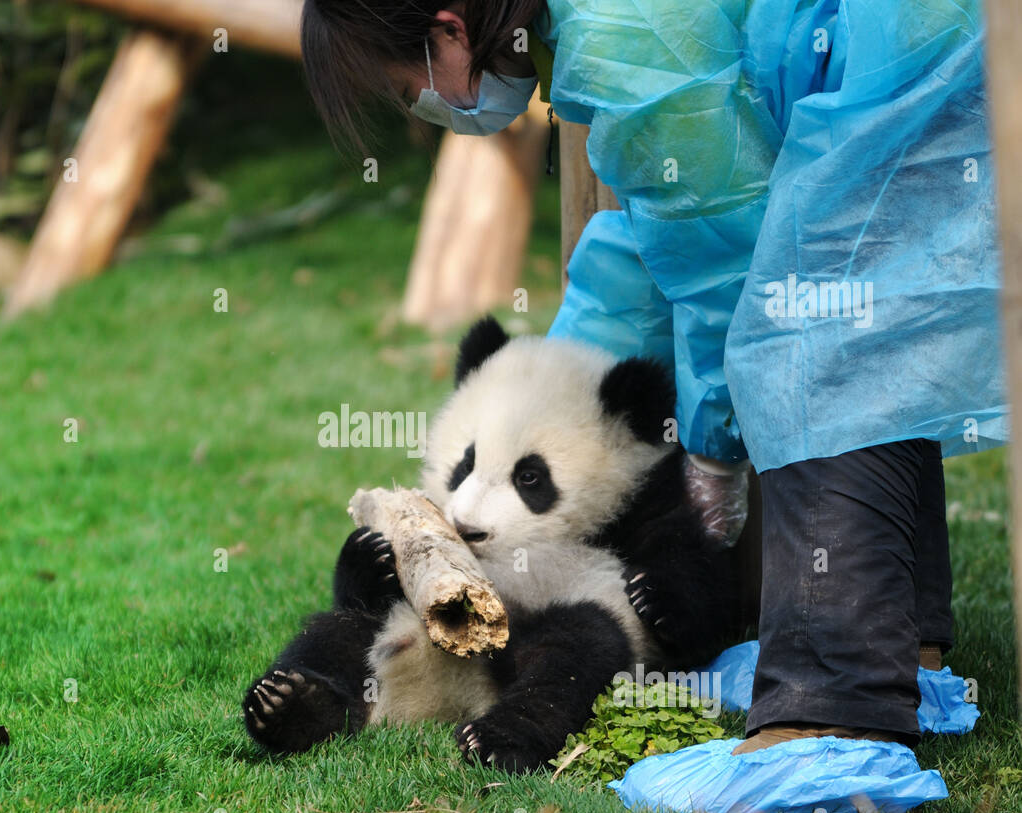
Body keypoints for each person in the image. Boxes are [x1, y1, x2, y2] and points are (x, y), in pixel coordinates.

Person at [297, 0, 1005, 756]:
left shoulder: (619, 31)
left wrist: (710, 446)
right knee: (868, 322)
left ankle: (838, 705)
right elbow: (651, 238)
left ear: (448, 29)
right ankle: (910, 642)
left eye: (411, 90)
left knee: (816, 334)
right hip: (894, 46)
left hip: (909, 50)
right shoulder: (594, 31)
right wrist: (548, 389)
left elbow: (723, 257)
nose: (425, 109)